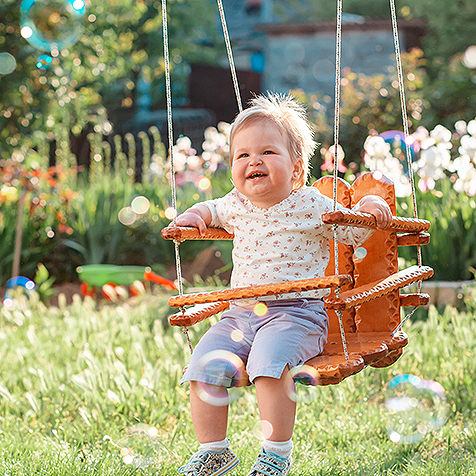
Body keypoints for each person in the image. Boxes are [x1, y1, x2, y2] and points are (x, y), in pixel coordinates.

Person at [174, 94, 392, 476]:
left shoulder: (309, 203)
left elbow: (354, 233)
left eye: (267, 152)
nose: (253, 161)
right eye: (242, 156)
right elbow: (211, 210)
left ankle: (275, 454)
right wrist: (194, 215)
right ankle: (214, 451)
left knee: (268, 366)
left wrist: (370, 206)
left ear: (296, 170)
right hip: (240, 316)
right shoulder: (235, 204)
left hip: (297, 315)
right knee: (201, 366)